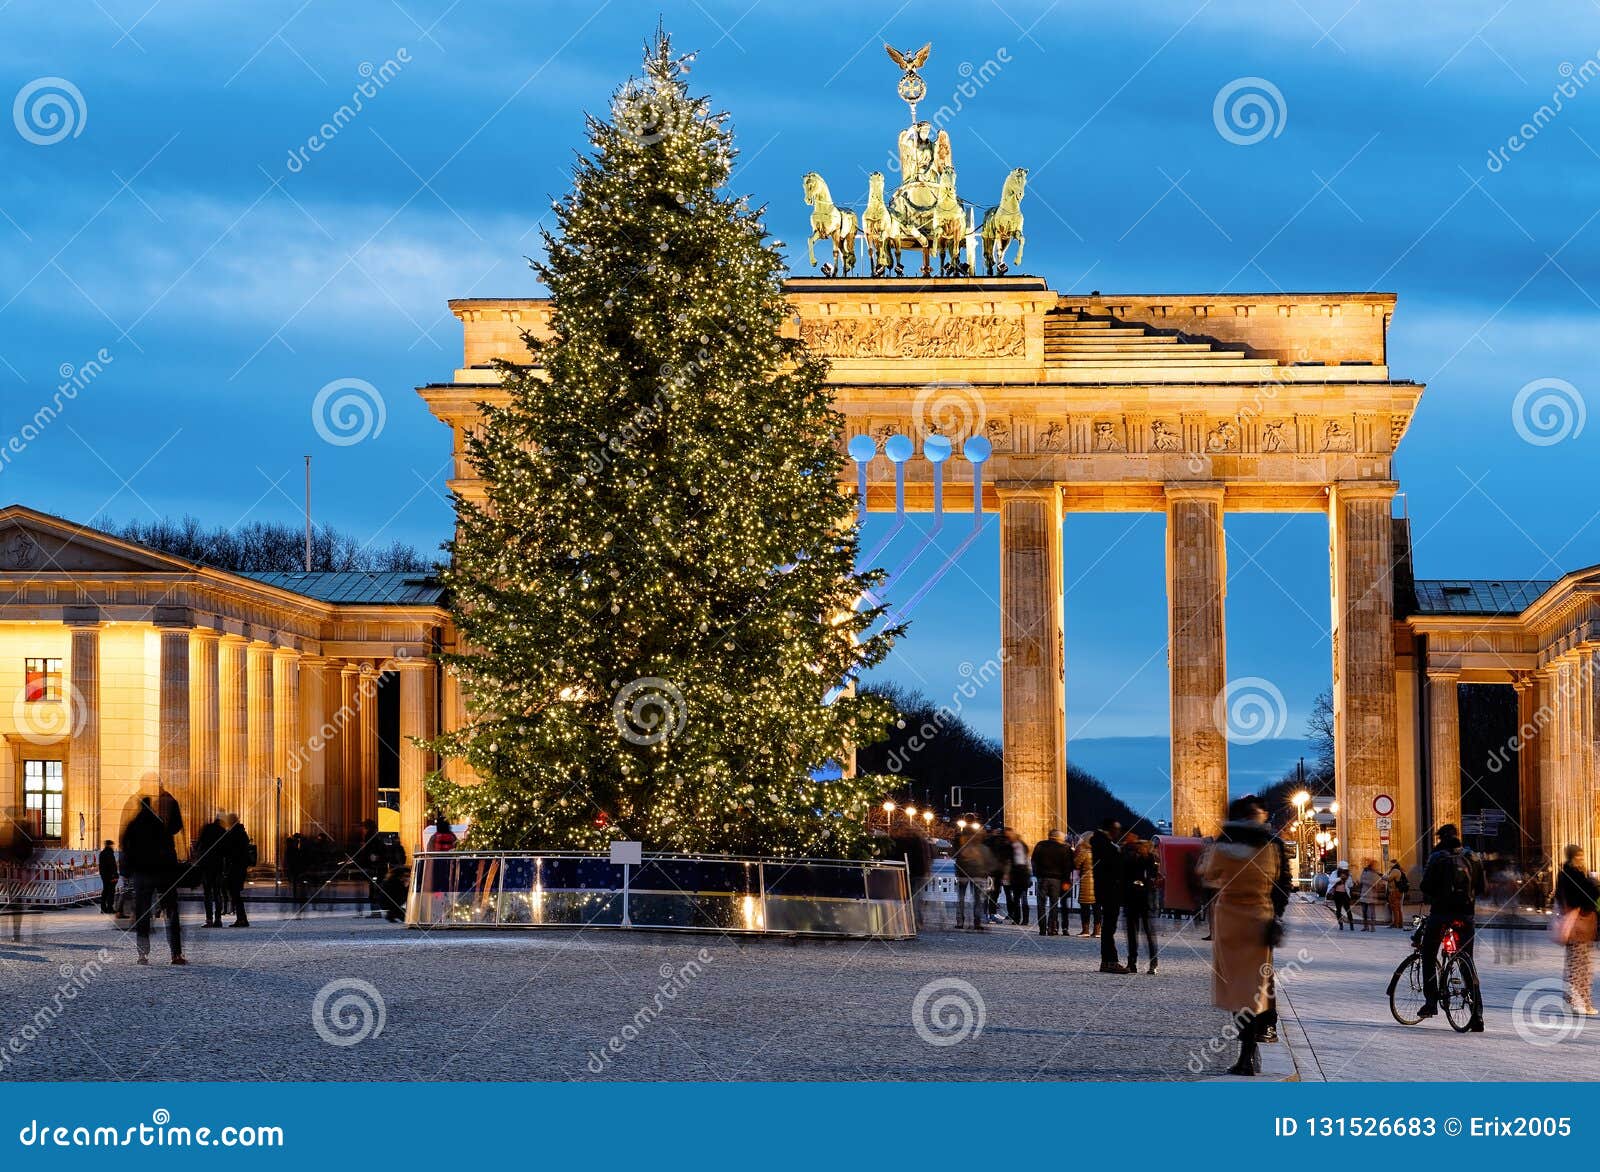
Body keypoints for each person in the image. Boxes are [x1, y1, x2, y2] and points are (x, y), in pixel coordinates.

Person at [1198, 795, 1289, 1076]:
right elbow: (1278, 880)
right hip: (1258, 918)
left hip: (1229, 921)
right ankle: (1251, 1050)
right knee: (1255, 987)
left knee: (1236, 988)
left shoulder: (1223, 847)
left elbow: (1207, 875)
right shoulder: (1268, 848)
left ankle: (1244, 1054)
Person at [1418, 823, 1485, 1030]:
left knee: (1428, 954)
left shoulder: (1437, 857)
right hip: (1465, 916)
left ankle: (1431, 1002)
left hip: (1441, 915)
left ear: (1441, 838)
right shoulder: (1472, 856)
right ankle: (1477, 1016)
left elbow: (1425, 886)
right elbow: (1482, 887)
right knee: (1467, 961)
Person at [121, 794, 186, 965]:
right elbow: (169, 848)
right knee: (171, 912)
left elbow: (126, 850)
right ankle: (175, 953)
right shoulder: (159, 825)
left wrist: (127, 872)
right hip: (163, 874)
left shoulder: (133, 826)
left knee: (143, 913)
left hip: (142, 875)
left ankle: (142, 954)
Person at [1553, 844, 1599, 1015]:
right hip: (1576, 924)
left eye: (1582, 855)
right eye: (1577, 856)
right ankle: (1574, 1001)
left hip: (1583, 926)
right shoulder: (1570, 874)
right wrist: (1593, 885)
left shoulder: (1576, 874)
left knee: (1585, 967)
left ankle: (1585, 1002)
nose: (1580, 859)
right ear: (1571, 857)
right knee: (1575, 966)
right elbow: (1582, 897)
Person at [1091, 818, 1127, 972]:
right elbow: (1113, 865)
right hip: (1109, 890)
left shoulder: (1101, 842)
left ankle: (1107, 961)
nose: (1118, 833)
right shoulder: (1104, 844)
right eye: (1117, 829)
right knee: (1109, 927)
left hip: (1106, 889)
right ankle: (1110, 962)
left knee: (1108, 926)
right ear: (1110, 829)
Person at [1122, 835, 1160, 973]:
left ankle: (1153, 963)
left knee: (1148, 933)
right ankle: (1132, 962)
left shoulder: (1151, 860)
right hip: (1134, 899)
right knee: (1133, 934)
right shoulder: (1131, 859)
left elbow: (1153, 877)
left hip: (1145, 900)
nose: (1139, 849)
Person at [954, 827, 994, 931]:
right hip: (979, 877)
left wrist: (959, 874)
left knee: (961, 899)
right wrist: (986, 873)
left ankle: (960, 921)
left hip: (964, 876)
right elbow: (989, 863)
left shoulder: (963, 848)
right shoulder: (982, 848)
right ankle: (977, 921)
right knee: (978, 900)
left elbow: (958, 862)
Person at [1031, 830, 1070, 936]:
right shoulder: (1063, 848)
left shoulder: (1040, 845)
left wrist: (1037, 873)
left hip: (1042, 878)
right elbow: (1066, 867)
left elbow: (1034, 860)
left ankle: (1042, 929)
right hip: (1056, 879)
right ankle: (1051, 928)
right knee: (1054, 904)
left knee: (1041, 904)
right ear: (1058, 838)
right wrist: (1066, 881)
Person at [194, 811, 227, 927]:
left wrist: (197, 859)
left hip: (206, 866)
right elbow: (226, 851)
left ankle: (209, 919)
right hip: (218, 866)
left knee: (207, 893)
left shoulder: (207, 828)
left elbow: (198, 845)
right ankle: (218, 919)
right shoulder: (223, 832)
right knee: (217, 893)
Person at [219, 813, 252, 928]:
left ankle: (242, 919)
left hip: (235, 867)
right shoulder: (242, 833)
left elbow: (228, 851)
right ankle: (242, 918)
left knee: (235, 893)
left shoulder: (234, 834)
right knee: (235, 893)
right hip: (240, 867)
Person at [1004, 827, 1031, 927]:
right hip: (1018, 873)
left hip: (1021, 872)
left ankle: (1024, 919)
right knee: (1017, 898)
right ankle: (1017, 918)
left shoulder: (1018, 845)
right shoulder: (1012, 845)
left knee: (1022, 898)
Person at [1073, 832, 1099, 937]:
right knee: (1097, 907)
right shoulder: (1100, 852)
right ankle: (1097, 931)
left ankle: (1085, 930)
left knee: (1085, 907)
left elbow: (1076, 864)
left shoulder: (1085, 852)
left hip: (1086, 882)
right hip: (1098, 882)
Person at [984, 826, 1010, 923]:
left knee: (988, 893)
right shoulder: (1003, 842)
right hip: (998, 872)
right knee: (994, 894)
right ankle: (992, 913)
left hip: (989, 871)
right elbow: (1006, 858)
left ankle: (986, 914)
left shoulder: (987, 842)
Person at [1357, 859, 1385, 932]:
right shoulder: (1365, 871)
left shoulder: (1375, 873)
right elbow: (1361, 880)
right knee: (1365, 911)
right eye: (1375, 865)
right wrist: (1371, 883)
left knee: (1371, 912)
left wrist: (1373, 883)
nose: (1377, 867)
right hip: (1365, 894)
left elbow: (1379, 883)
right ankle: (1366, 926)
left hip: (1371, 895)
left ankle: (1372, 926)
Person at [1328, 862, 1355, 929]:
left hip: (1345, 894)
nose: (1343, 871)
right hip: (1337, 894)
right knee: (1338, 910)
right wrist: (1340, 878)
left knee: (1347, 909)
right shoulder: (1335, 873)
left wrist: (1348, 879)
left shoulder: (1348, 875)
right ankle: (1340, 924)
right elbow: (1331, 880)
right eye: (1342, 869)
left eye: (1345, 870)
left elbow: (1350, 885)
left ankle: (1351, 923)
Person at [97, 839, 118, 913]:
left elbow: (102, 866)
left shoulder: (102, 853)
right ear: (109, 845)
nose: (113, 846)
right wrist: (114, 875)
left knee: (105, 891)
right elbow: (112, 866)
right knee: (111, 892)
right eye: (112, 845)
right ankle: (109, 908)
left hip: (104, 876)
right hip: (110, 876)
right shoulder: (109, 853)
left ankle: (103, 908)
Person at [1387, 860, 1409, 928]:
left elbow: (1389, 878)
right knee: (1398, 908)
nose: (1389, 865)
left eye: (1390, 863)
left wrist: (1382, 876)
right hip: (1399, 891)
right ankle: (1399, 923)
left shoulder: (1395, 870)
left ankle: (1396, 923)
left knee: (1395, 908)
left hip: (1395, 891)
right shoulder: (1400, 870)